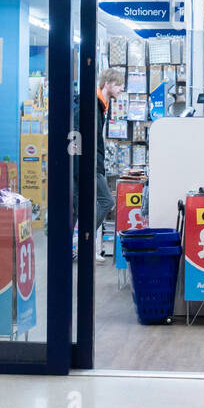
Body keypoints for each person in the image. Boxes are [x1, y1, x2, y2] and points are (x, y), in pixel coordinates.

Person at [75, 68, 125, 262]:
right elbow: (81, 136)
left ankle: (83, 244)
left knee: (88, 205)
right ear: (108, 84)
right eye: (119, 84)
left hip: (90, 163)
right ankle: (82, 241)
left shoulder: (100, 105)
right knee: (106, 201)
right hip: (88, 164)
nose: (122, 88)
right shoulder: (91, 105)